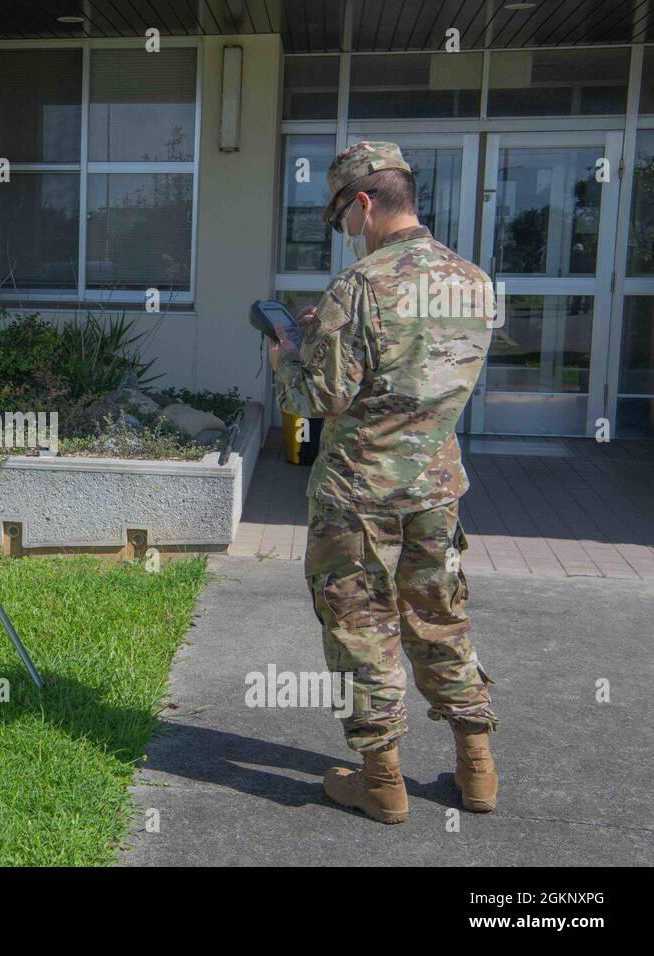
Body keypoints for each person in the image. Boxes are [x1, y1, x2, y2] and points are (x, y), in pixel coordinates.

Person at [269, 141, 499, 824]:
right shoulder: (474, 281)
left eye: (343, 215)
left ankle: (381, 782)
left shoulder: (360, 286)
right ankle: (478, 771)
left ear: (364, 202)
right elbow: (419, 370)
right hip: (435, 489)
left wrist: (286, 353)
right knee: (440, 621)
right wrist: (330, 334)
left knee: (361, 632)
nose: (347, 231)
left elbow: (319, 397)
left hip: (357, 500)